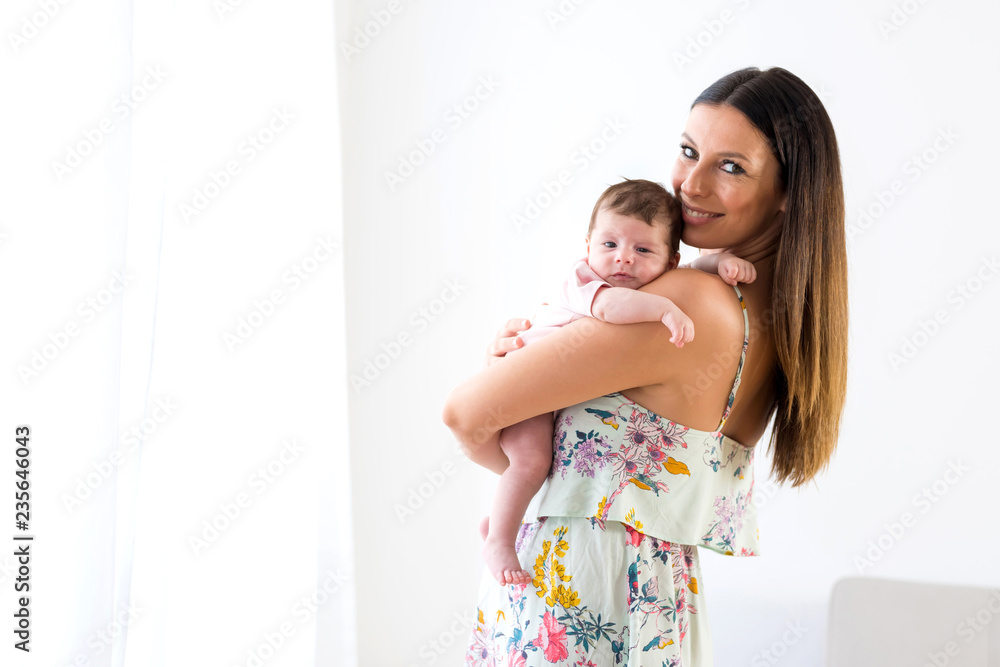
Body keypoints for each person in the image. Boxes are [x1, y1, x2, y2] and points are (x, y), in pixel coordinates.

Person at [443, 66, 848, 666]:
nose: (691, 184)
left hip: (575, 589)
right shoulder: (771, 322)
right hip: (659, 599)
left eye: (731, 166)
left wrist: (509, 388)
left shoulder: (685, 303)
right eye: (689, 151)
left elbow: (464, 414)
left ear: (789, 193)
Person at [481, 177, 757, 587]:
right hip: (529, 390)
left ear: (670, 259)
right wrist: (666, 309)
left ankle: (504, 516)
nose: (623, 259)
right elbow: (611, 309)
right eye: (609, 245)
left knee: (546, 466)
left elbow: (686, 272)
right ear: (588, 245)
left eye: (642, 250)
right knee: (531, 461)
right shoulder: (583, 282)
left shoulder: (664, 277)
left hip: (560, 396)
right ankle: (499, 540)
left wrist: (715, 265)